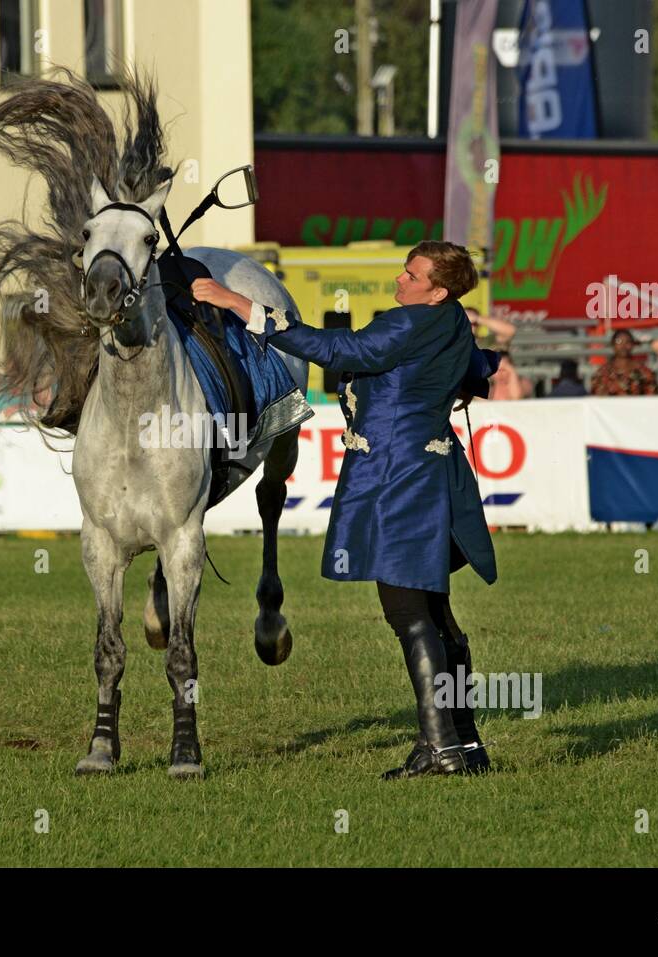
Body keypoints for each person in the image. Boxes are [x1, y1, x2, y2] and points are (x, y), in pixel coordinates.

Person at [192, 240, 499, 779]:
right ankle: (464, 744)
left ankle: (441, 748)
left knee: (408, 614)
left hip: (397, 479)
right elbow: (477, 369)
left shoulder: (406, 325)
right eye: (405, 270)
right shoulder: (452, 319)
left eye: (412, 275)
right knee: (435, 613)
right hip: (433, 471)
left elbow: (334, 350)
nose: (400, 280)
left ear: (438, 290)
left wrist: (236, 302)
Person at [590, 329, 658, 396]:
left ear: (633, 345)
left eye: (628, 342)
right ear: (613, 345)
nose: (623, 346)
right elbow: (597, 399)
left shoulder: (644, 372)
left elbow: (652, 399)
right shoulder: (603, 373)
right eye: (619, 341)